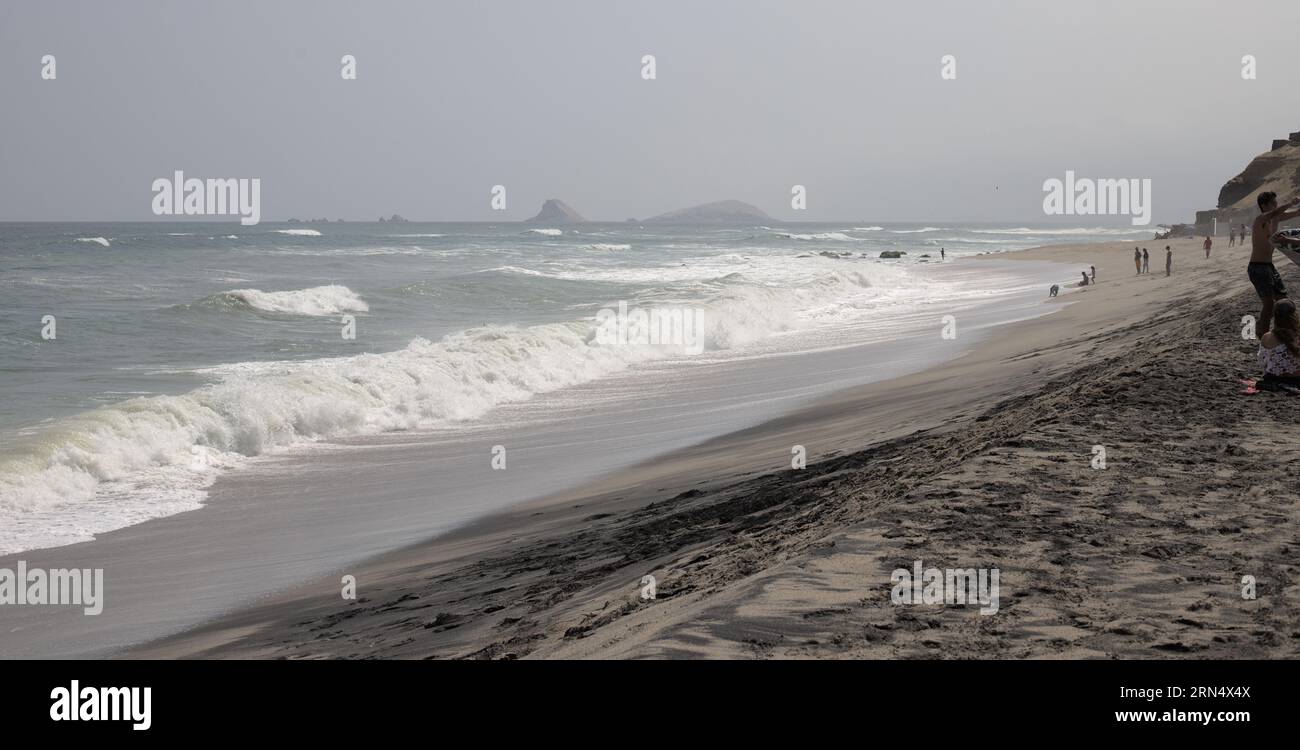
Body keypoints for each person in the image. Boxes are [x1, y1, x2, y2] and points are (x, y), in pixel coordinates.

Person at [1249, 191, 1300, 337]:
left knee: (1283, 301)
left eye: (1276, 203)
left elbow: (1296, 213)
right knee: (1269, 304)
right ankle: (1263, 337)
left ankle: (1273, 330)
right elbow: (1276, 212)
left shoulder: (1275, 218)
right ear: (1263, 205)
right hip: (1257, 266)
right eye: (1273, 203)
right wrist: (1290, 203)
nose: (1276, 205)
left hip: (1269, 266)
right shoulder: (1261, 220)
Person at [1257, 298, 1300, 387]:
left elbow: (1264, 364)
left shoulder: (1266, 337)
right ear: (1294, 316)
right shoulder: (1297, 335)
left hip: (1272, 378)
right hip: (1296, 380)